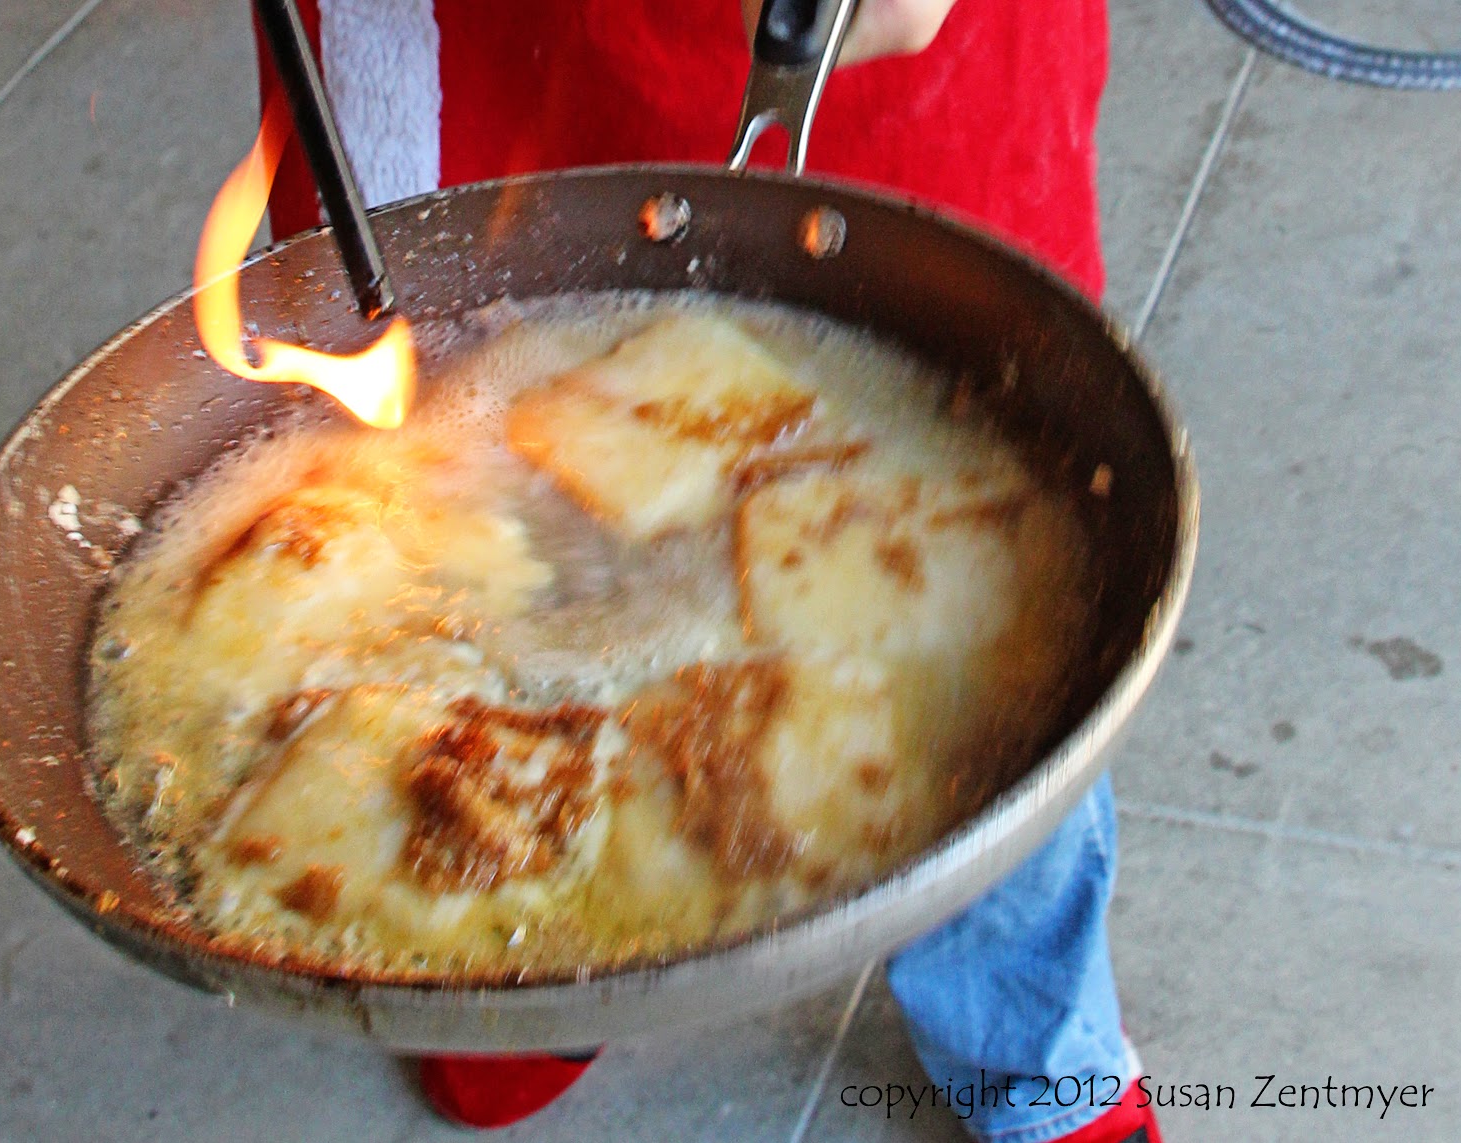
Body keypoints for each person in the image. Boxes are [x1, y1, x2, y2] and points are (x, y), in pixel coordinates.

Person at [254, 3, 1161, 1140]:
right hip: (467, 47)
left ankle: (1033, 1054)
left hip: (894, 67)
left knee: (967, 606)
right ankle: (537, 948)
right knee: (460, 530)